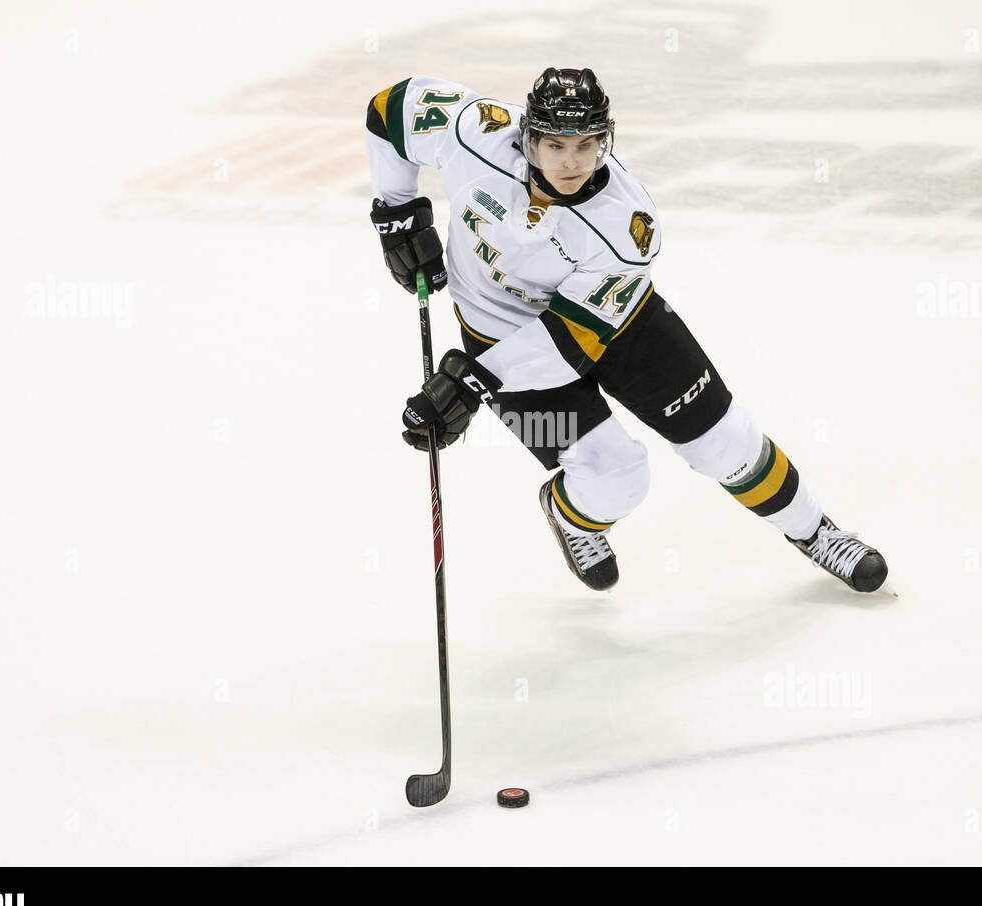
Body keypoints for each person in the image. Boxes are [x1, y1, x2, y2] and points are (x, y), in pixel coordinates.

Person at [366, 67, 888, 593]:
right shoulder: (474, 133)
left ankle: (816, 532)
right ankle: (573, 514)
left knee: (724, 444)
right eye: (555, 144)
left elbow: (567, 343)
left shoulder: (626, 225)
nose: (571, 162)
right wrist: (396, 209)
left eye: (586, 144)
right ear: (528, 138)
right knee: (616, 477)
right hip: (498, 332)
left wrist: (471, 383)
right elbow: (388, 110)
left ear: (603, 140)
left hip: (614, 324)